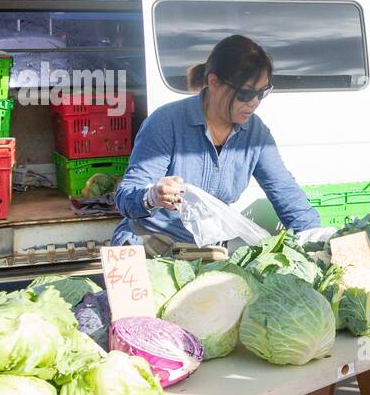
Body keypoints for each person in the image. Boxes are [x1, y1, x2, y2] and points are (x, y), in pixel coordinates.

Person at [113, 35, 319, 253]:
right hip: (151, 246)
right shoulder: (166, 123)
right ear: (214, 83)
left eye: (262, 92)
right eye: (246, 93)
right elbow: (126, 196)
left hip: (207, 252)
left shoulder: (255, 133)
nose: (254, 102)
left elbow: (284, 190)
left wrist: (315, 236)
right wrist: (151, 197)